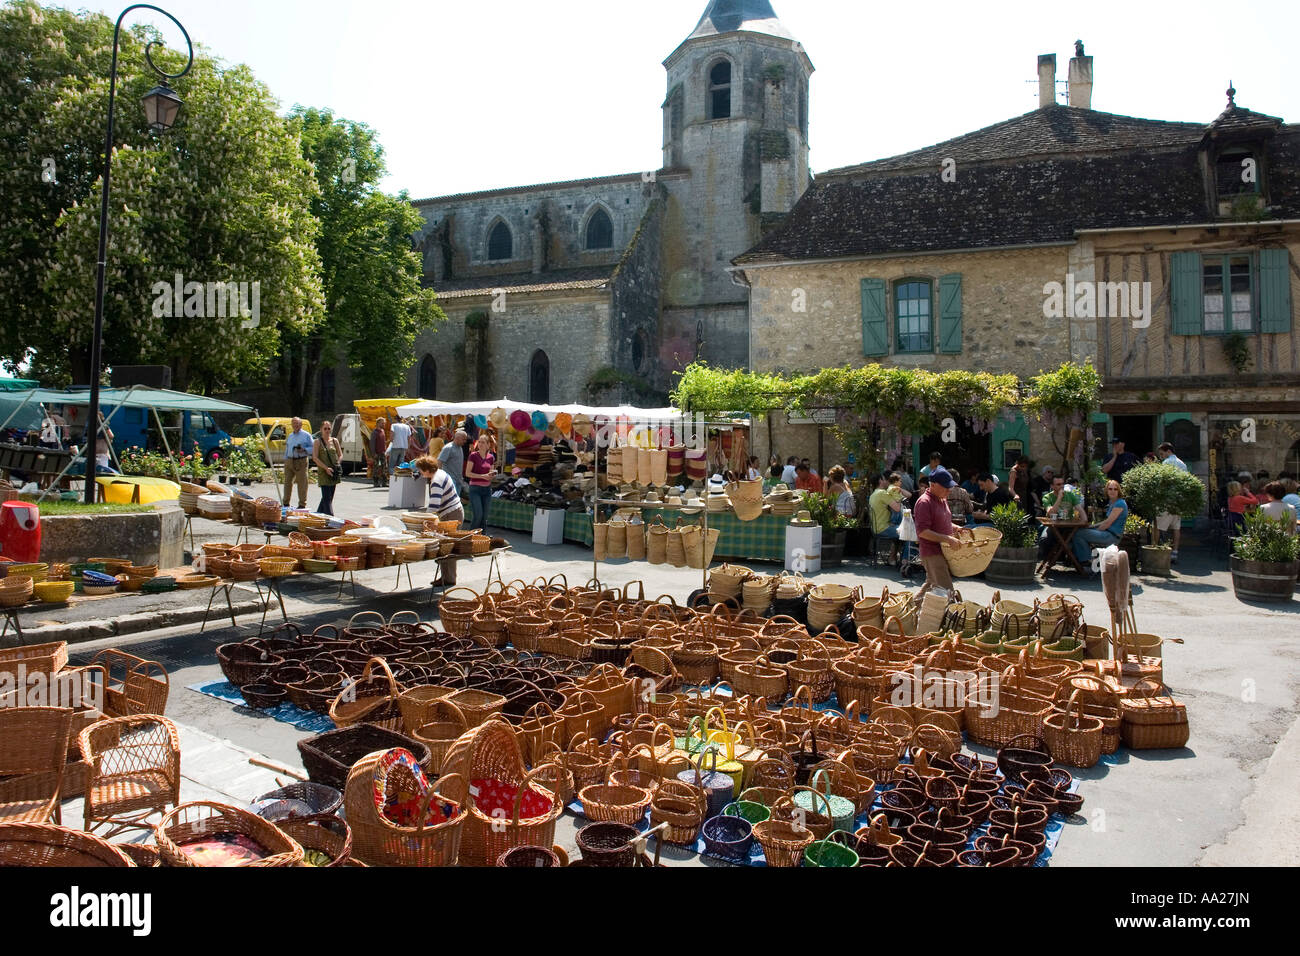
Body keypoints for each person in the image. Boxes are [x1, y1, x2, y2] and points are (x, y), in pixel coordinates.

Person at [913, 470, 965, 599]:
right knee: (946, 591)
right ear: (933, 485)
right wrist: (947, 538)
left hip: (942, 551)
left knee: (931, 585)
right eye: (946, 487)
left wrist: (955, 527)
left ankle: (910, 609)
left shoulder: (942, 498)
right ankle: (947, 616)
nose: (949, 490)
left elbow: (943, 521)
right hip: (932, 552)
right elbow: (923, 532)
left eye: (950, 486)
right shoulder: (924, 502)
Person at [1072, 479, 1129, 573]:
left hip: (1112, 536)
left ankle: (1086, 562)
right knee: (1080, 531)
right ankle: (1083, 560)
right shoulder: (1112, 503)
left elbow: (1107, 523)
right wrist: (1091, 527)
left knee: (1078, 534)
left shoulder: (1120, 503)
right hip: (1108, 533)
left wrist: (1095, 530)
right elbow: (1105, 521)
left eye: (1115, 489)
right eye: (1110, 489)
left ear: (1119, 491)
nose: (1113, 491)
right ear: (1107, 490)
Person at [1039, 473, 1087, 562]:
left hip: (1067, 526)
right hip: (1053, 526)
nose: (1061, 486)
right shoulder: (1047, 497)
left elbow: (1080, 509)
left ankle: (1077, 561)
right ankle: (1047, 561)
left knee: (1077, 537)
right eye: (1058, 484)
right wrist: (1059, 498)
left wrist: (1084, 520)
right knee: (1044, 539)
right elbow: (1050, 513)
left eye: (1062, 484)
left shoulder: (1070, 495)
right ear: (1052, 486)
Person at [1154, 442, 1189, 561]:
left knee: (1158, 526)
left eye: (1162, 453)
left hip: (1166, 500)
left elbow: (1162, 482)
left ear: (1168, 451)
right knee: (1176, 528)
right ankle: (1175, 552)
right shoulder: (1182, 464)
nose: (1161, 456)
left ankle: (1158, 551)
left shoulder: (1167, 463)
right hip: (1179, 500)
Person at [413, 455, 464, 525]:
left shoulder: (436, 481)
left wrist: (423, 519)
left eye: (421, 470)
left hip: (451, 514)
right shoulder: (440, 472)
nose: (420, 472)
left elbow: (434, 506)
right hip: (454, 511)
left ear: (427, 470)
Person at [869, 473, 904, 563]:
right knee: (907, 533)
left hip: (876, 528)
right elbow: (897, 508)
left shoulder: (873, 494)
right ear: (880, 481)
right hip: (884, 528)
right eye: (884, 479)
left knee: (900, 530)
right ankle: (905, 561)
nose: (887, 481)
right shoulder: (882, 493)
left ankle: (892, 558)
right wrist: (898, 496)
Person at [282, 416, 313, 509]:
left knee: (302, 483)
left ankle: (302, 504)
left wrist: (304, 449)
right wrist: (286, 459)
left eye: (297, 423)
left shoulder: (306, 435)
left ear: (301, 424)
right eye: (294, 423)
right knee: (287, 482)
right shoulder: (290, 436)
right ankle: (286, 503)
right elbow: (287, 448)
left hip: (301, 460)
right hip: (289, 460)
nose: (295, 425)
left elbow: (313, 448)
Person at [466, 434, 496, 529]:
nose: (480, 444)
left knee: (484, 518)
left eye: (483, 442)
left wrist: (492, 474)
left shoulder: (491, 457)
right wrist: (482, 476)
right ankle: (470, 538)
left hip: (487, 490)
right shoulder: (473, 455)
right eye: (479, 442)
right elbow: (468, 473)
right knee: (478, 516)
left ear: (488, 445)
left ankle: (482, 540)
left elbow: (491, 472)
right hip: (475, 489)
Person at [312, 420, 342, 515]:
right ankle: (331, 518)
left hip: (334, 472)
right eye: (325, 428)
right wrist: (326, 468)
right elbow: (315, 458)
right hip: (324, 472)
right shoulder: (317, 442)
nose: (327, 430)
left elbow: (340, 454)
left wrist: (338, 463)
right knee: (327, 498)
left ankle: (317, 516)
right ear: (321, 429)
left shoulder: (334, 440)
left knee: (328, 497)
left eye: (329, 428)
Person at [438, 428, 469, 498]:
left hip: (458, 480)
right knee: (451, 500)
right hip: (450, 479)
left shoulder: (460, 447)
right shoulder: (448, 448)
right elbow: (440, 461)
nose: (465, 441)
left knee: (455, 501)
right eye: (463, 439)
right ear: (457, 438)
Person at [370, 417, 389, 488]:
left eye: (384, 423)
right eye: (382, 423)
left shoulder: (383, 431)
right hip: (377, 453)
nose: (384, 424)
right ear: (378, 423)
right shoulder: (374, 432)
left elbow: (383, 442)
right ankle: (376, 482)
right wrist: (374, 453)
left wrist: (385, 450)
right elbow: (372, 443)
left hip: (383, 452)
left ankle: (384, 482)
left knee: (384, 467)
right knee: (376, 468)